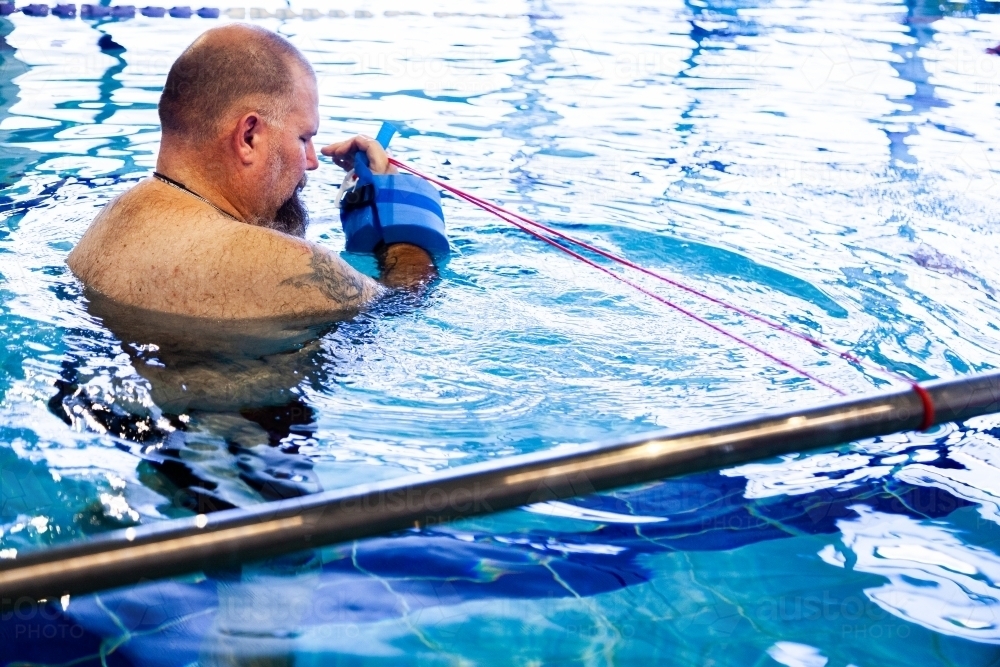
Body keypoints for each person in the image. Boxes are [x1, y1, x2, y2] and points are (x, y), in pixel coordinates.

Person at [68, 23, 438, 320]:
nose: (311, 160)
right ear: (248, 136)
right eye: (303, 137)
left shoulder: (108, 224)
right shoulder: (283, 266)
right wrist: (393, 211)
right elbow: (403, 306)